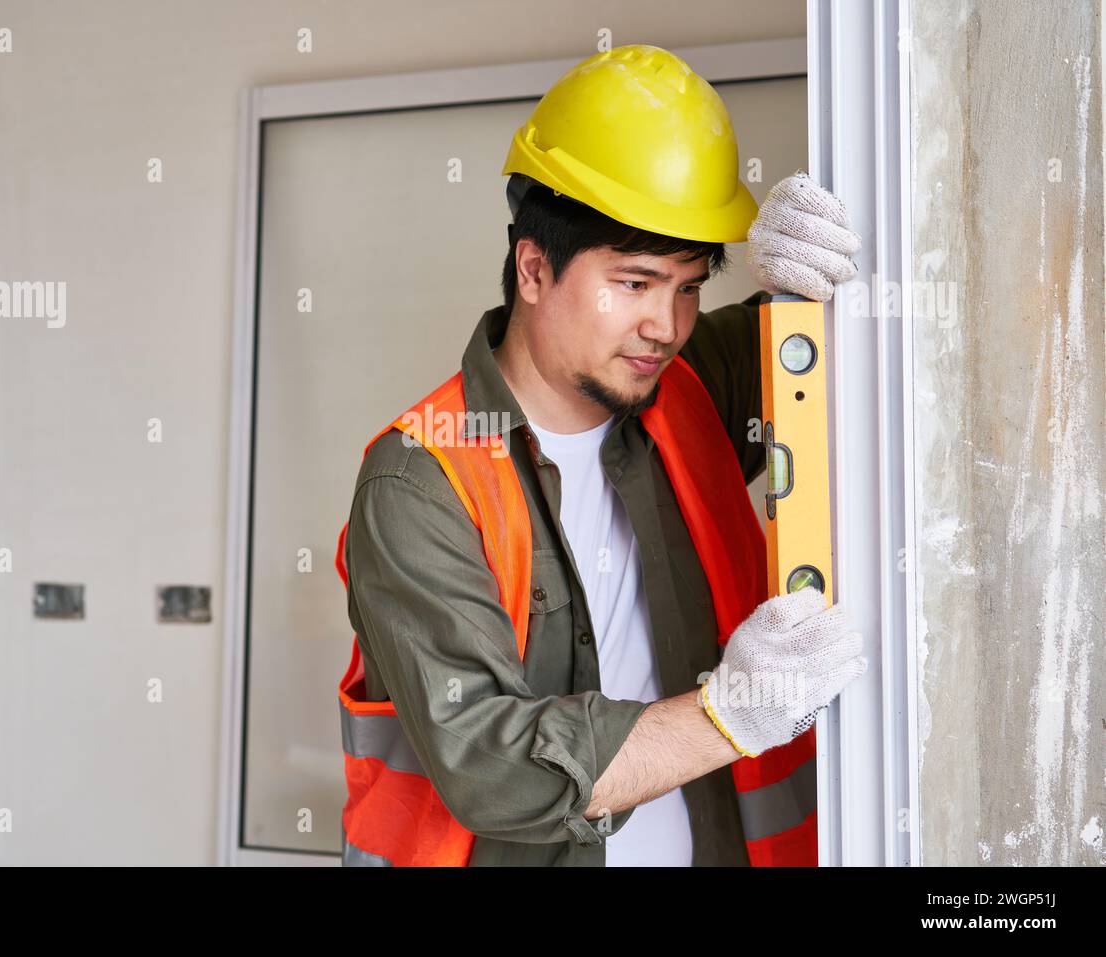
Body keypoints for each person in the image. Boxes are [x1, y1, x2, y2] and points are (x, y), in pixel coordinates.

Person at [335, 43, 866, 867]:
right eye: (635, 283)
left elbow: (824, 349)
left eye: (690, 287)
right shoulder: (423, 481)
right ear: (534, 267)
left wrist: (824, 265)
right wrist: (733, 712)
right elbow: (490, 760)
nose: (667, 324)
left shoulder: (685, 389)